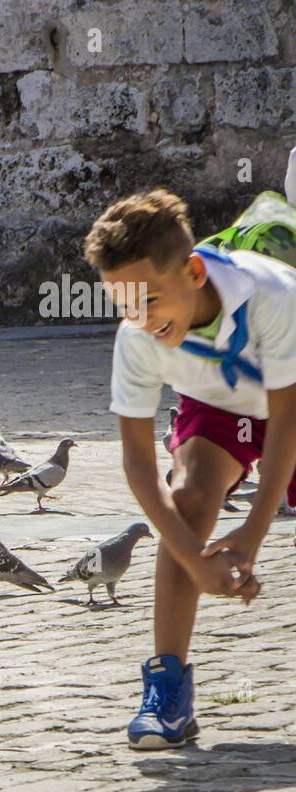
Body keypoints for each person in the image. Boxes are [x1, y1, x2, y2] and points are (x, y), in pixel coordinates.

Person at [86, 189, 296, 750]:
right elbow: (136, 460)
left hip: (290, 403)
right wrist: (191, 559)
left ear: (195, 271)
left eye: (149, 299)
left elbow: (286, 422)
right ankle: (168, 690)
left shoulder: (273, 297)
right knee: (189, 502)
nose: (138, 317)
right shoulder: (138, 335)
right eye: (123, 302)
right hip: (221, 403)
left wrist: (251, 534)